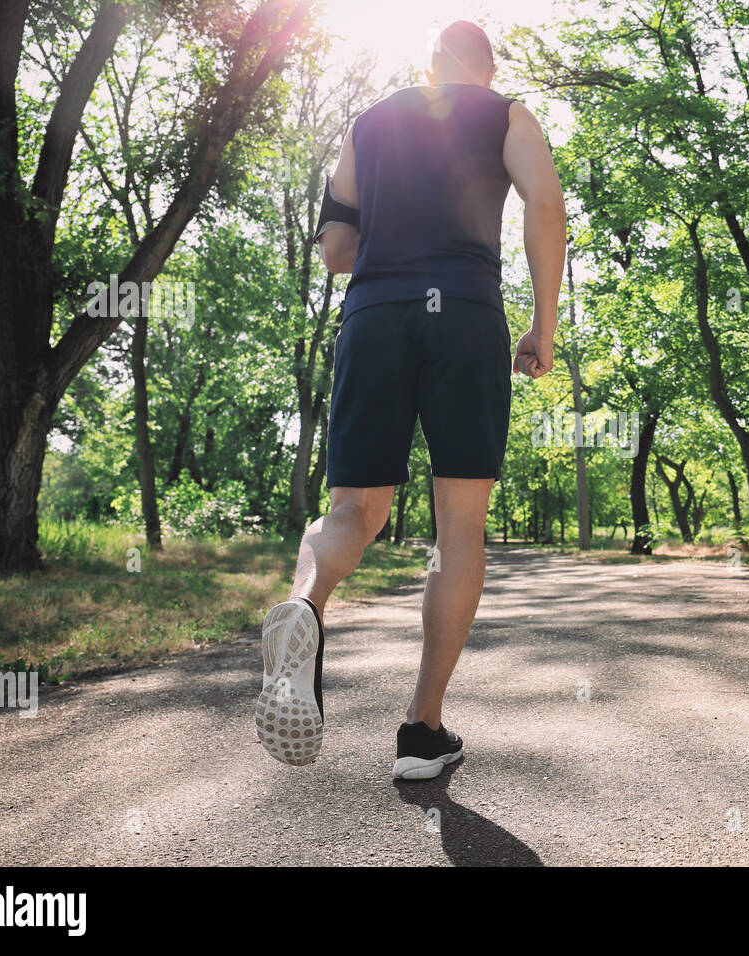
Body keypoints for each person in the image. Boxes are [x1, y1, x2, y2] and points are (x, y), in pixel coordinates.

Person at [254, 19, 566, 779]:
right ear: (487, 70)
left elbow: (334, 252)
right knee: (458, 520)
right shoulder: (506, 115)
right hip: (462, 310)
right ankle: (421, 732)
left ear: (431, 68)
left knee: (353, 512)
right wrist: (542, 324)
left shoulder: (370, 123)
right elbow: (545, 202)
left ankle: (305, 602)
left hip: (375, 316)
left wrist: (395, 244)